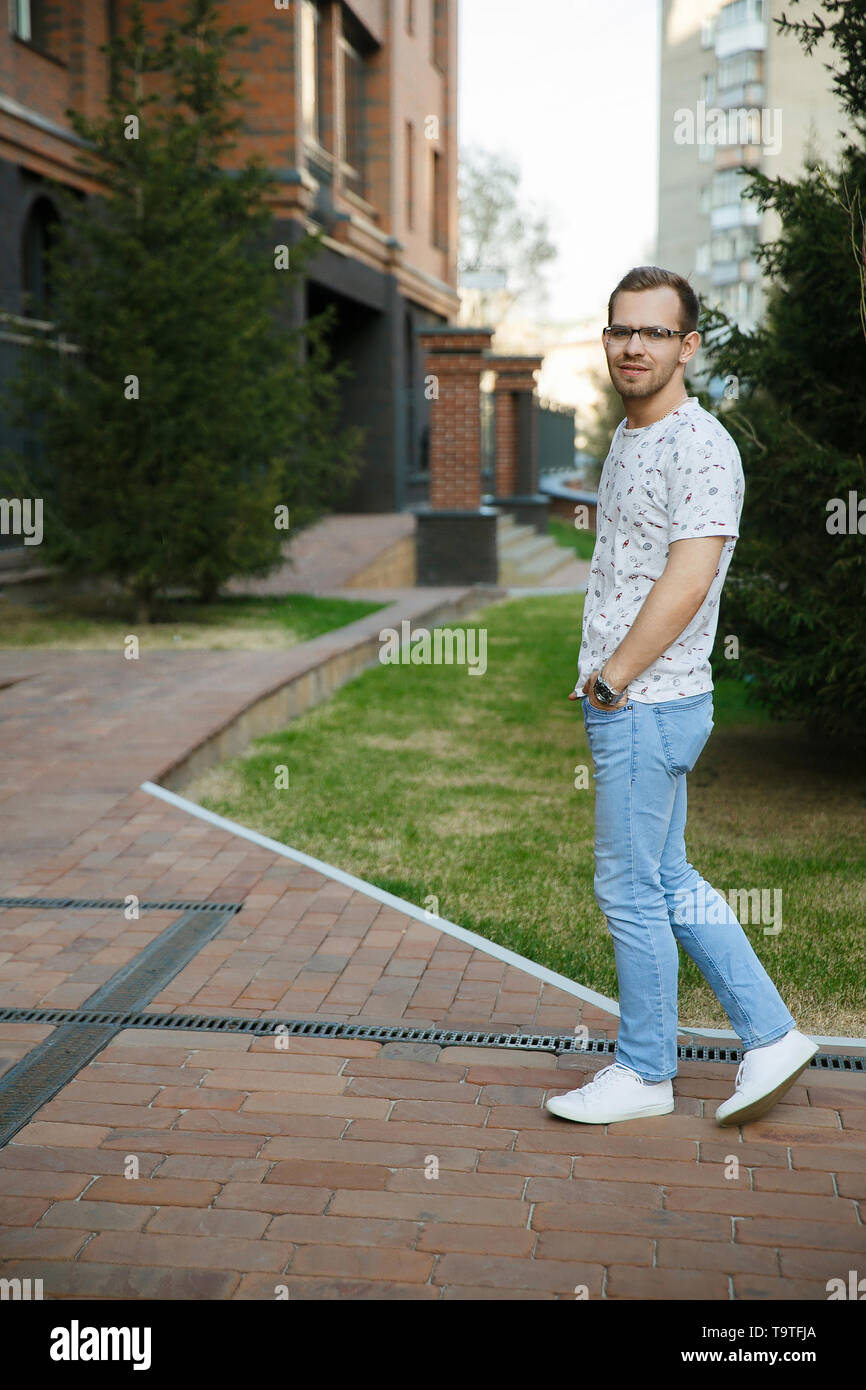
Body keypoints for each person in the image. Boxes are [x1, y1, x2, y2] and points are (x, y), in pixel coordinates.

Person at [546, 265, 818, 1128]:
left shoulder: (701, 447)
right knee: (667, 877)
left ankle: (645, 1071)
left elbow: (690, 577)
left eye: (655, 332)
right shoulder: (633, 436)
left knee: (628, 886)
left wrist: (613, 679)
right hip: (642, 699)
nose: (633, 346)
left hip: (647, 702)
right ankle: (772, 1035)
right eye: (621, 329)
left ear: (687, 346)